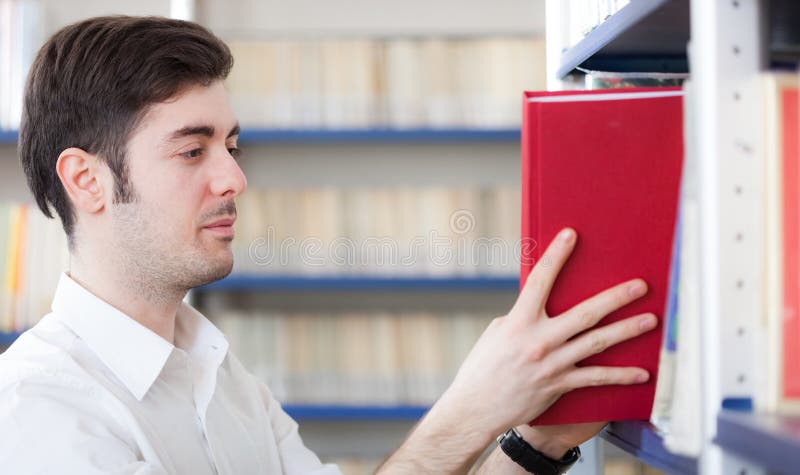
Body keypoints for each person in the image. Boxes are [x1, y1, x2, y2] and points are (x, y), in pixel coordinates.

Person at [0, 16, 657, 474]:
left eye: (231, 146)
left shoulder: (217, 371)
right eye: (193, 150)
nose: (234, 177)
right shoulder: (41, 412)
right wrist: (471, 406)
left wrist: (532, 444)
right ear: (86, 180)